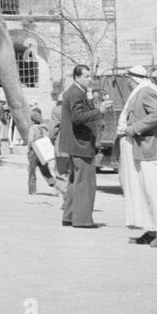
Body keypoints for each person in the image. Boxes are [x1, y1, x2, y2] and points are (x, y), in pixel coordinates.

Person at [116, 66, 157, 247]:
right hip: (143, 151)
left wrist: (133, 129)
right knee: (145, 192)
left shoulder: (146, 92)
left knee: (155, 192)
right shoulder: (139, 92)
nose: (126, 82)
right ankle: (151, 231)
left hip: (153, 152)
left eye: (127, 78)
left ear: (133, 79)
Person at [56, 65, 102, 229]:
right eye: (87, 76)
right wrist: (99, 111)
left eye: (90, 76)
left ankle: (69, 216)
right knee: (85, 183)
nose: (90, 79)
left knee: (74, 182)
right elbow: (78, 117)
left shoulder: (74, 92)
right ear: (77, 77)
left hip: (75, 143)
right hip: (80, 144)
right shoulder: (75, 93)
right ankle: (82, 220)